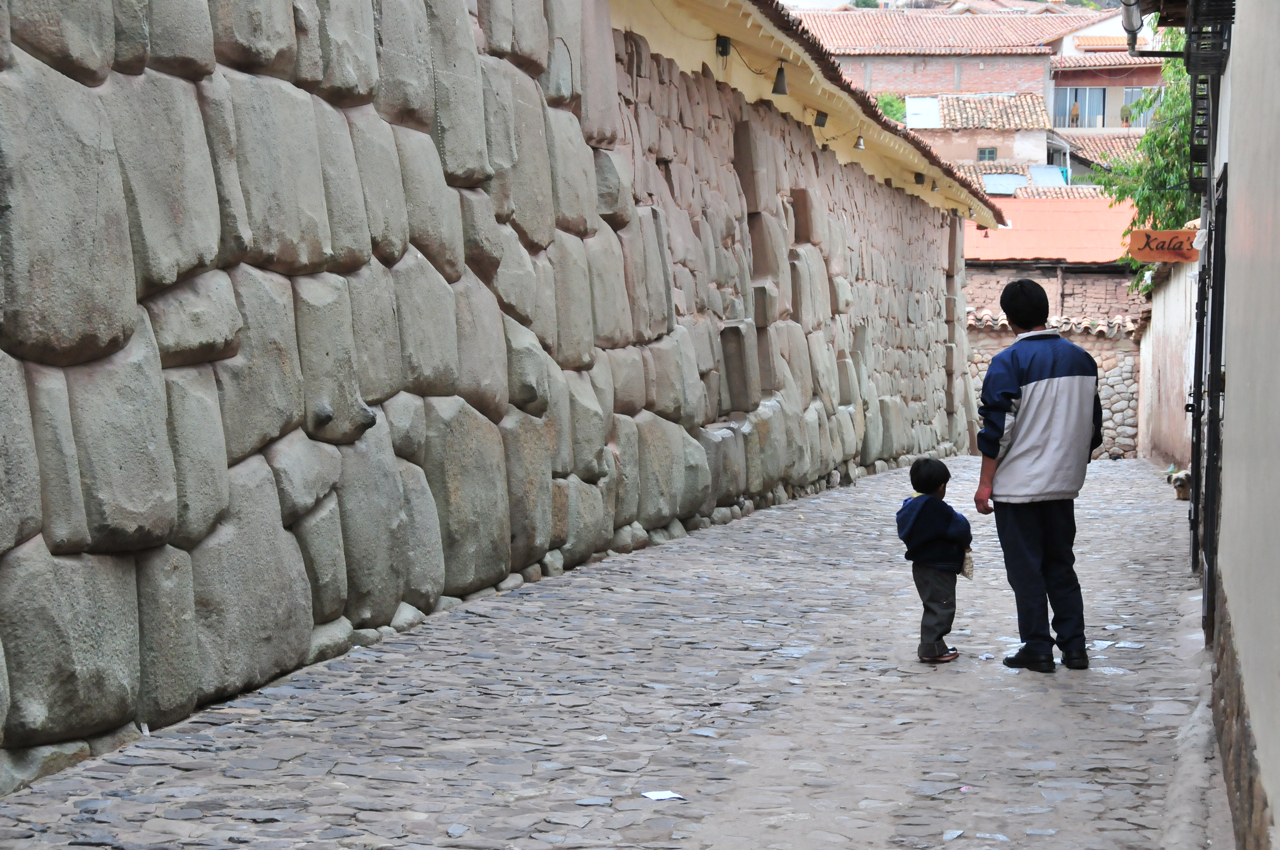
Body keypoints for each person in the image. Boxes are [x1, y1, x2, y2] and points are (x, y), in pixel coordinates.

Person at [974, 279, 1103, 674]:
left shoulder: (1007, 363)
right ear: (1045, 311)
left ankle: (1038, 648)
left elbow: (998, 430)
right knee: (1061, 566)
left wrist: (985, 484)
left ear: (1009, 318)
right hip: (1063, 487)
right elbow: (1093, 428)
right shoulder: (1083, 360)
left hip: (1018, 490)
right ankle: (1075, 648)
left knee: (1027, 571)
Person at [897, 458, 972, 664]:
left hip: (921, 566)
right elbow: (960, 527)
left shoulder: (909, 506)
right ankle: (931, 648)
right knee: (942, 606)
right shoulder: (937, 509)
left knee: (932, 604)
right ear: (941, 487)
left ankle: (936, 645)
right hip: (939, 566)